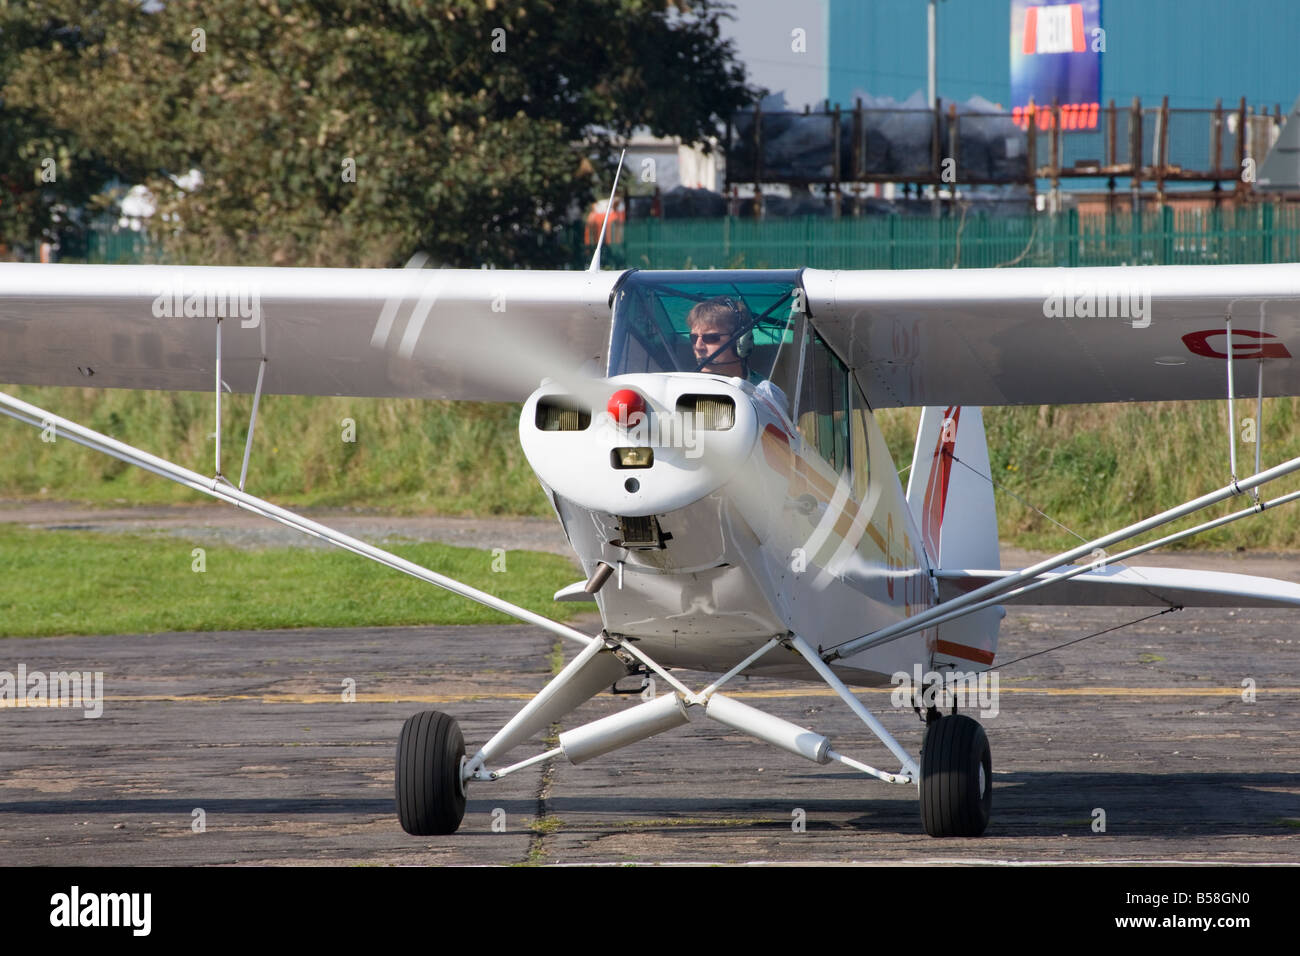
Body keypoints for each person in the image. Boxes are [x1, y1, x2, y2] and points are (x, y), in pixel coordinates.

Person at [685, 296, 753, 379]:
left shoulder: (765, 391)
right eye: (694, 338)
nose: (698, 347)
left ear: (741, 341)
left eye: (710, 338)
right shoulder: (683, 388)